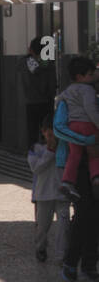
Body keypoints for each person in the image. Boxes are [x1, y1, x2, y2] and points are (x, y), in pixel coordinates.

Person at [55, 56, 99, 202]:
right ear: (80, 76)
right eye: (90, 74)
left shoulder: (68, 90)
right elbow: (91, 109)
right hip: (87, 125)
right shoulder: (88, 90)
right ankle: (96, 177)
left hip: (73, 126)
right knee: (93, 154)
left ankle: (67, 182)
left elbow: (59, 98)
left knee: (74, 155)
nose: (93, 77)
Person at [29, 117, 68, 264]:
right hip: (43, 193)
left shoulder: (65, 148)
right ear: (43, 132)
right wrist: (50, 151)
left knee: (64, 225)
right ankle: (40, 247)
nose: (52, 138)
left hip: (61, 192)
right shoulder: (36, 149)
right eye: (49, 134)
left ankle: (61, 255)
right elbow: (36, 168)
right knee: (42, 227)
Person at [19, 38, 56, 145]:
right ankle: (48, 153)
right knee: (48, 130)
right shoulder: (48, 64)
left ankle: (34, 155)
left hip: (31, 101)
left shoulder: (25, 62)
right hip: (46, 101)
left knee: (32, 132)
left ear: (31, 49)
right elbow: (52, 84)